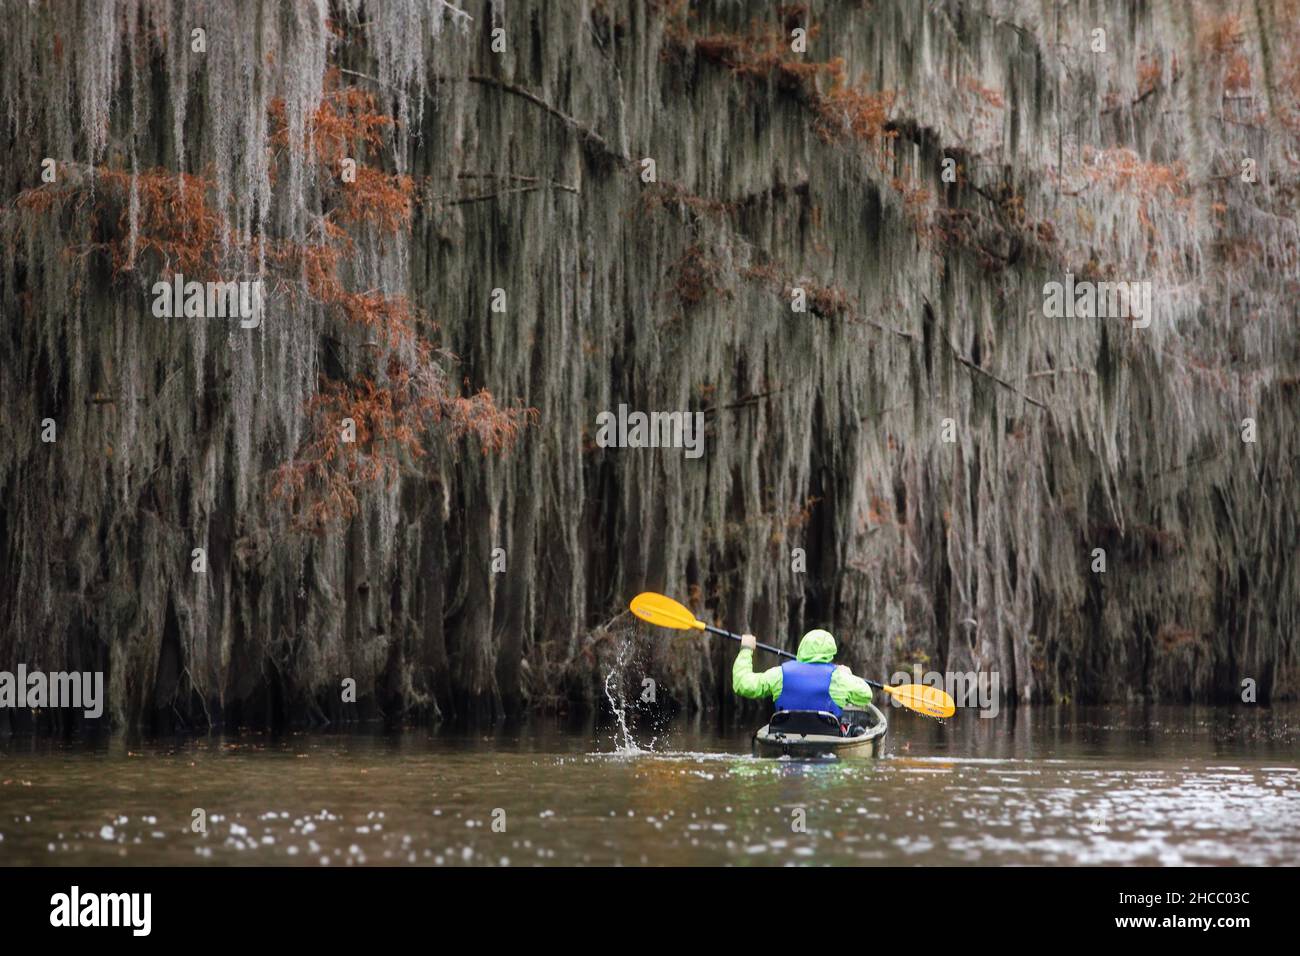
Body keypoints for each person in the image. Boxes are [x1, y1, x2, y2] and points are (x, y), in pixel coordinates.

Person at [732, 628, 872, 717]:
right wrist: (847, 675)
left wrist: (746, 649)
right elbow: (866, 696)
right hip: (827, 739)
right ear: (831, 654)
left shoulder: (780, 674)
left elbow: (743, 684)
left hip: (785, 739)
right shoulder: (839, 678)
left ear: (802, 647)